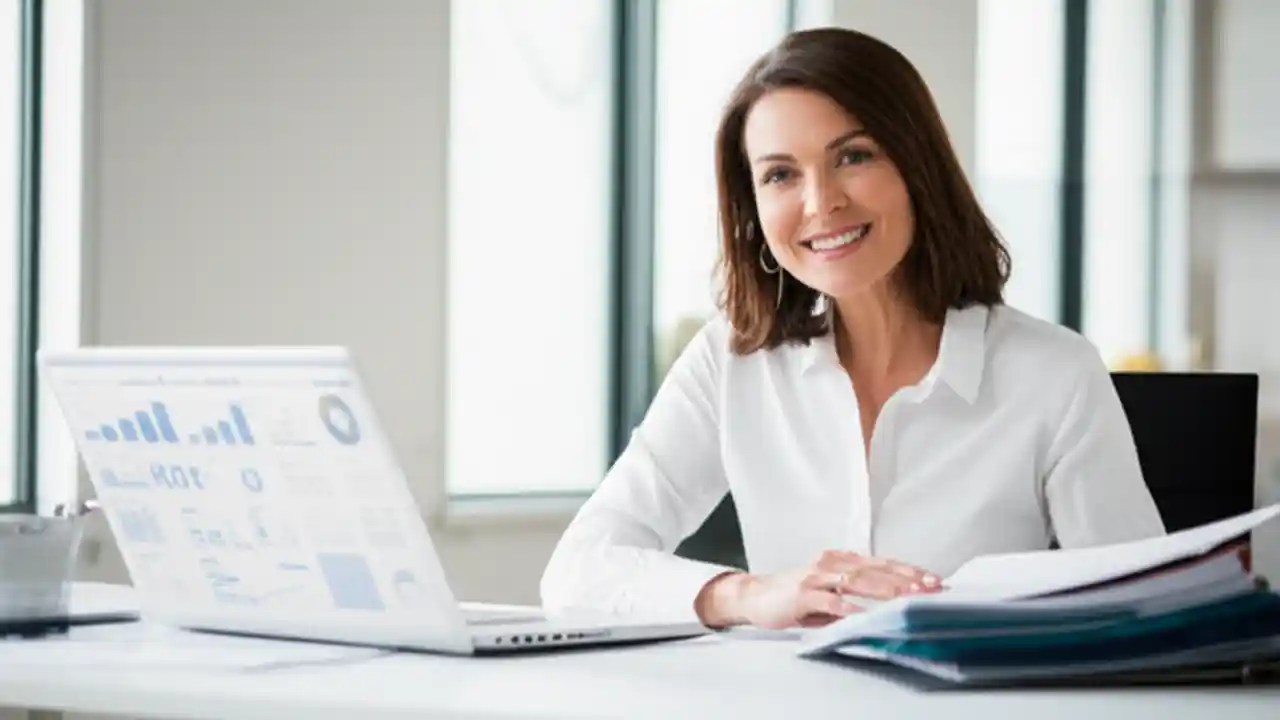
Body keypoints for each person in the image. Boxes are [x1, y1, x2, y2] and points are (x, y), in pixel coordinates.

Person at [540, 27, 1165, 630]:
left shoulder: (1054, 373)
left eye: (854, 156)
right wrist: (751, 595)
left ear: (918, 168)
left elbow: (1147, 610)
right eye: (781, 175)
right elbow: (579, 570)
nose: (821, 202)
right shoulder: (729, 361)